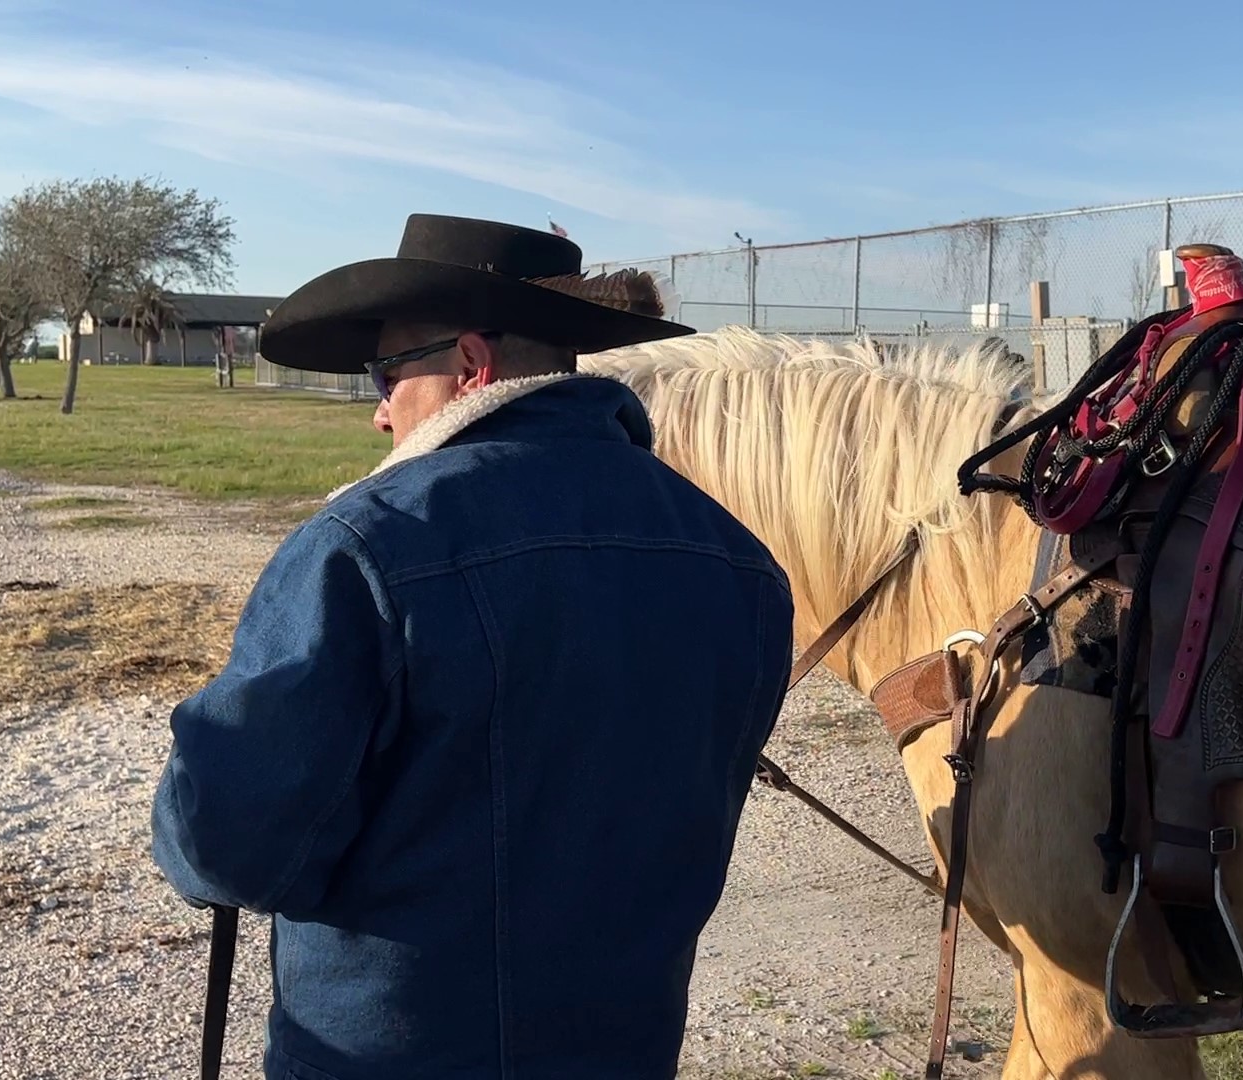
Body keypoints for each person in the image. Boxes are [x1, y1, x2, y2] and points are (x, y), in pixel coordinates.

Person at [150, 214, 795, 1080]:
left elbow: (228, 847)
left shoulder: (365, 545)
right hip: (628, 1049)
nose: (380, 412)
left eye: (386, 373)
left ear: (469, 366)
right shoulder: (739, 560)